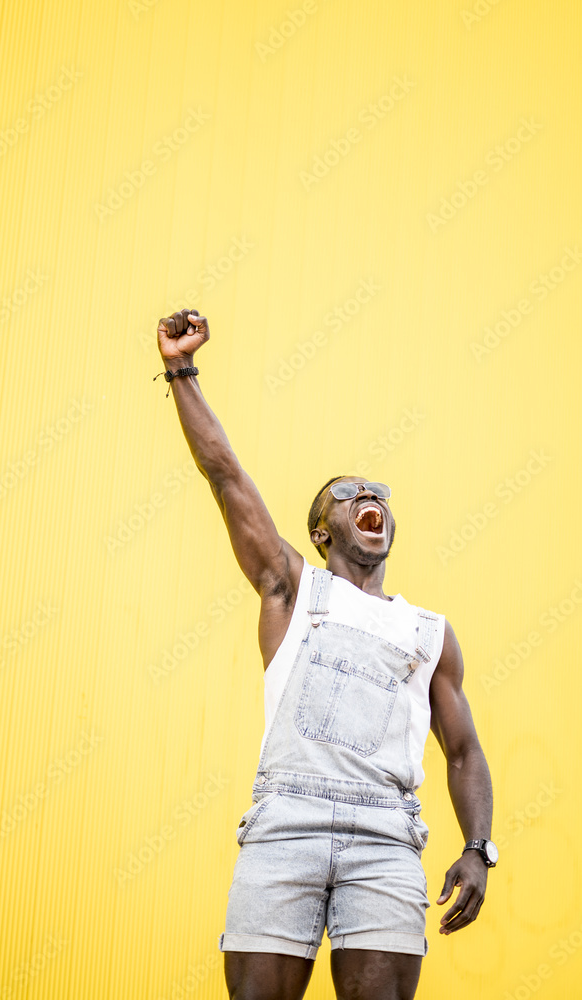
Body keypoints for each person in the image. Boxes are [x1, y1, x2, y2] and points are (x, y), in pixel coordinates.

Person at [155, 308, 496, 1000]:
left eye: (377, 493)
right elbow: (222, 473)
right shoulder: (289, 587)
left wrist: (476, 848)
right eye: (346, 494)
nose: (367, 495)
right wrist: (180, 370)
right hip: (285, 828)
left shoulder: (428, 631)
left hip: (384, 839)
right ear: (320, 531)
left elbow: (462, 751)